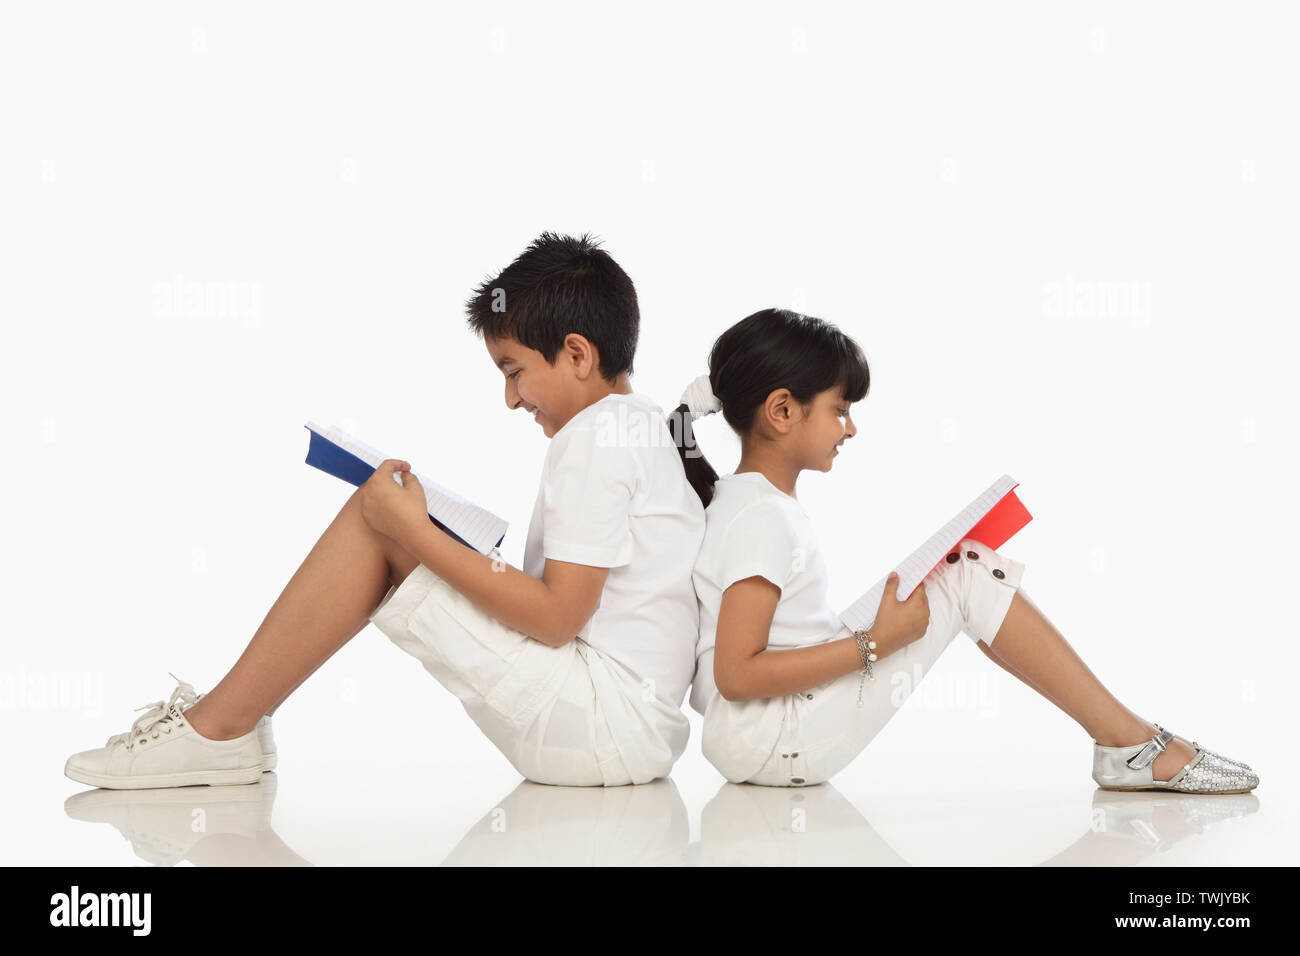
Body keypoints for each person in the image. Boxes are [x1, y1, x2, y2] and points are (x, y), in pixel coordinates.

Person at [65, 232, 706, 790]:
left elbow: (559, 618)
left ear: (577, 354)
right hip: (627, 734)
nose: (510, 399)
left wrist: (413, 533)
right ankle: (234, 723)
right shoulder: (636, 427)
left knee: (379, 514)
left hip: (600, 728)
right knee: (391, 513)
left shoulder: (595, 435)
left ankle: (220, 729)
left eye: (514, 371)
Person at [670, 307, 1258, 793]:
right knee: (968, 573)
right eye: (840, 411)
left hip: (763, 733)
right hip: (777, 740)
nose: (850, 430)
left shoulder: (741, 501)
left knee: (957, 566)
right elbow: (738, 674)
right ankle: (1132, 744)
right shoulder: (759, 519)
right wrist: (877, 644)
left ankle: (1126, 740)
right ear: (781, 411)